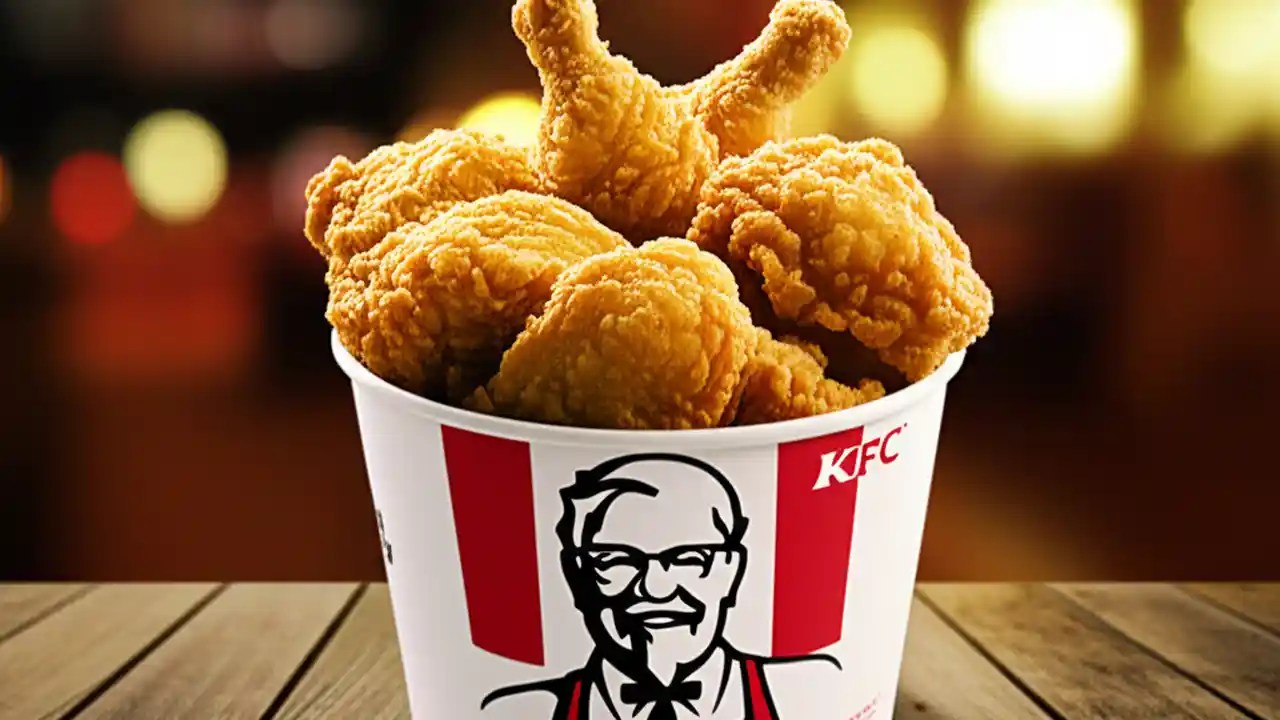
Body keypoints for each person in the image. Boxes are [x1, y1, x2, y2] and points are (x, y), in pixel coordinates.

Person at [483, 454, 840, 719]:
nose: (656, 588)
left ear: (731, 571)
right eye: (616, 560)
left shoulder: (806, 685)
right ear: (576, 576)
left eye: (691, 559)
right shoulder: (520, 709)